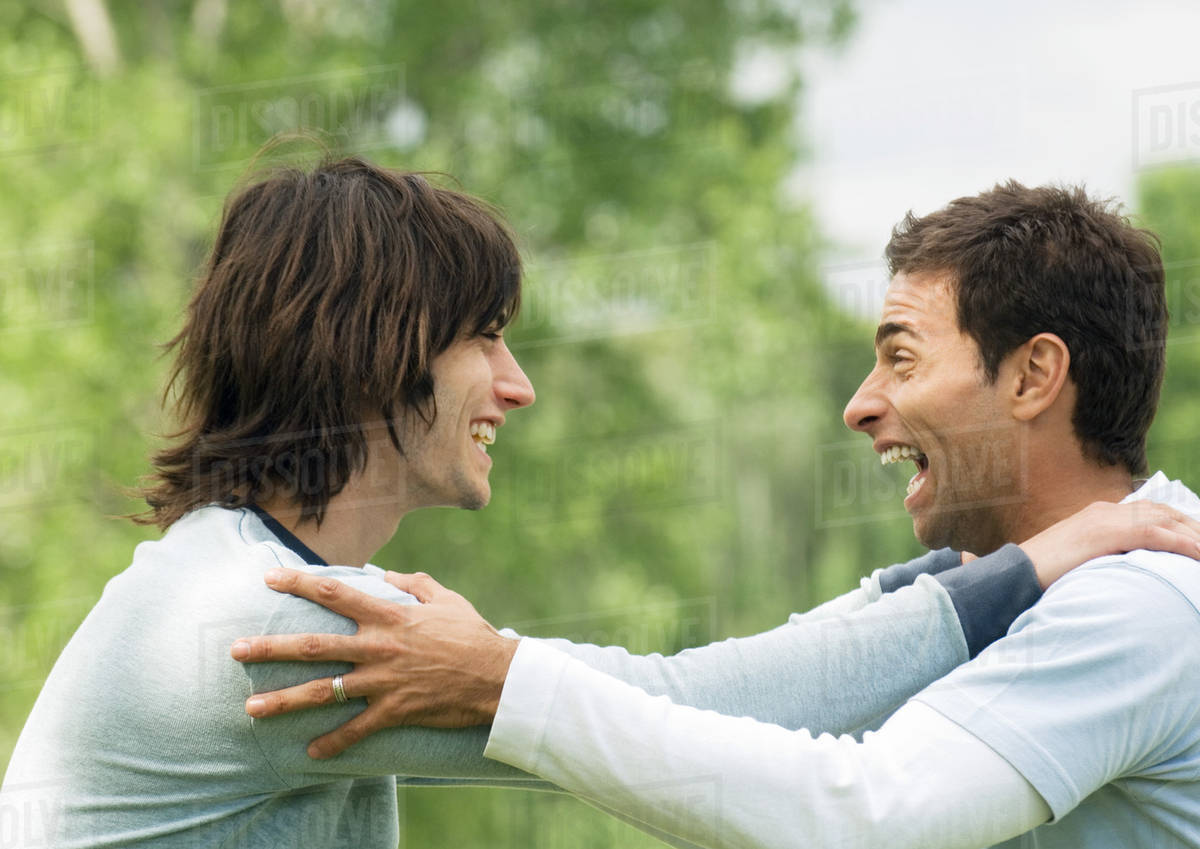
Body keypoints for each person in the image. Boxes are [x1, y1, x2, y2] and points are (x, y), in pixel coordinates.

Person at [235, 181, 1200, 849]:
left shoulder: (1139, 603)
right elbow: (695, 692)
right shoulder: (1002, 583)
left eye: (901, 357)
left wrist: (500, 684)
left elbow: (866, 815)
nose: (860, 404)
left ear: (1035, 375)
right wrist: (483, 664)